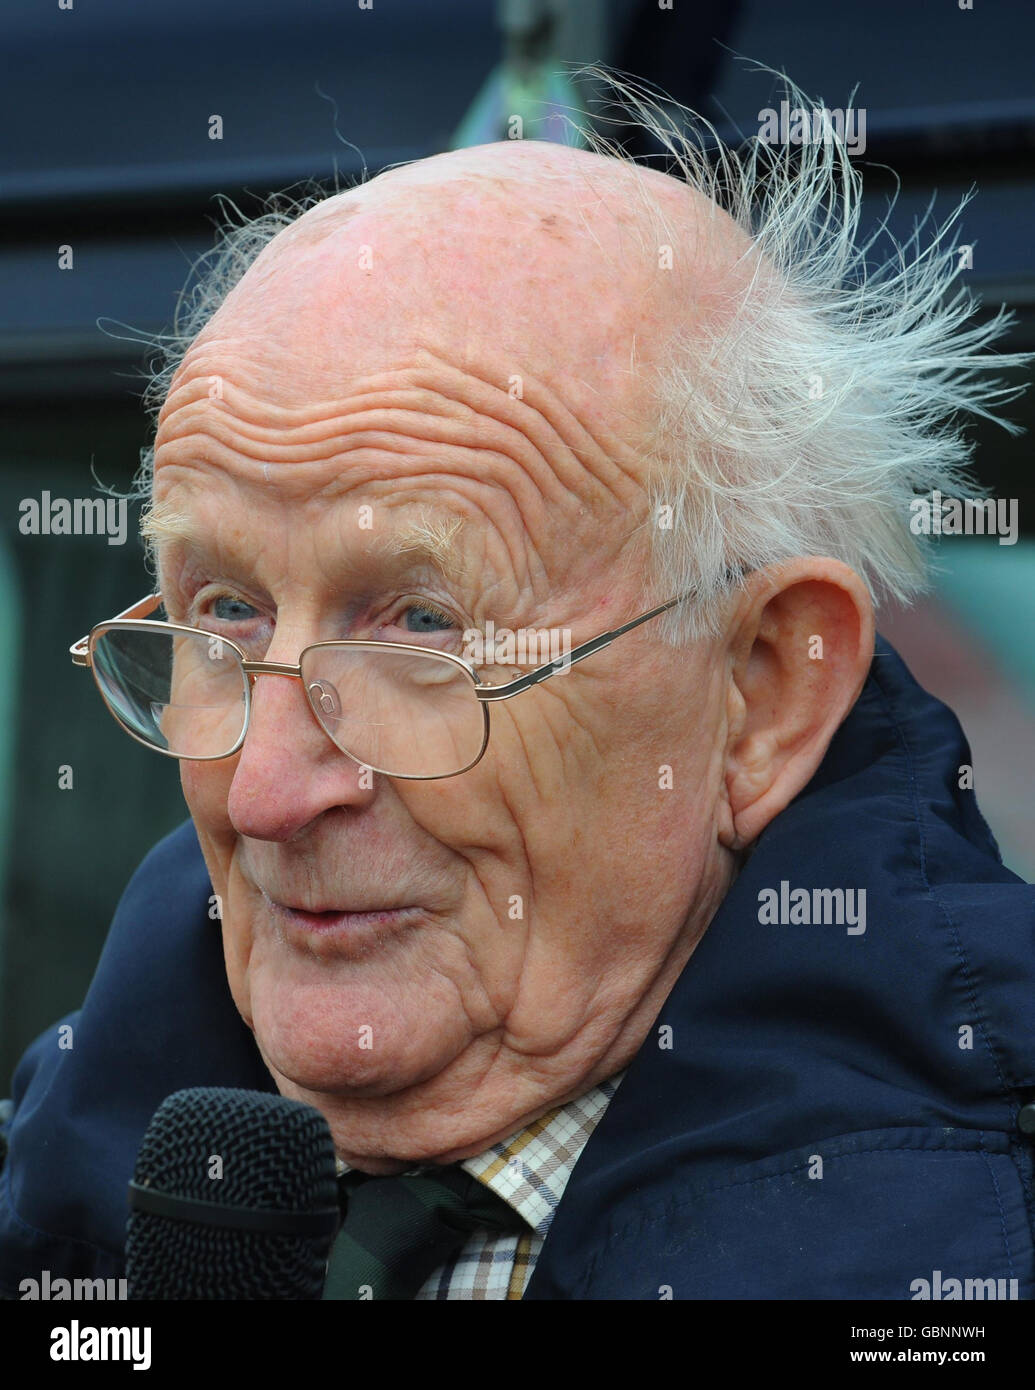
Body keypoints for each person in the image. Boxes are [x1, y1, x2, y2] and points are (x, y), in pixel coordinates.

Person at [2, 71, 1033, 1300]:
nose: (266, 790)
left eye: (424, 629)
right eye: (225, 611)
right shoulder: (58, 1195)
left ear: (762, 691)